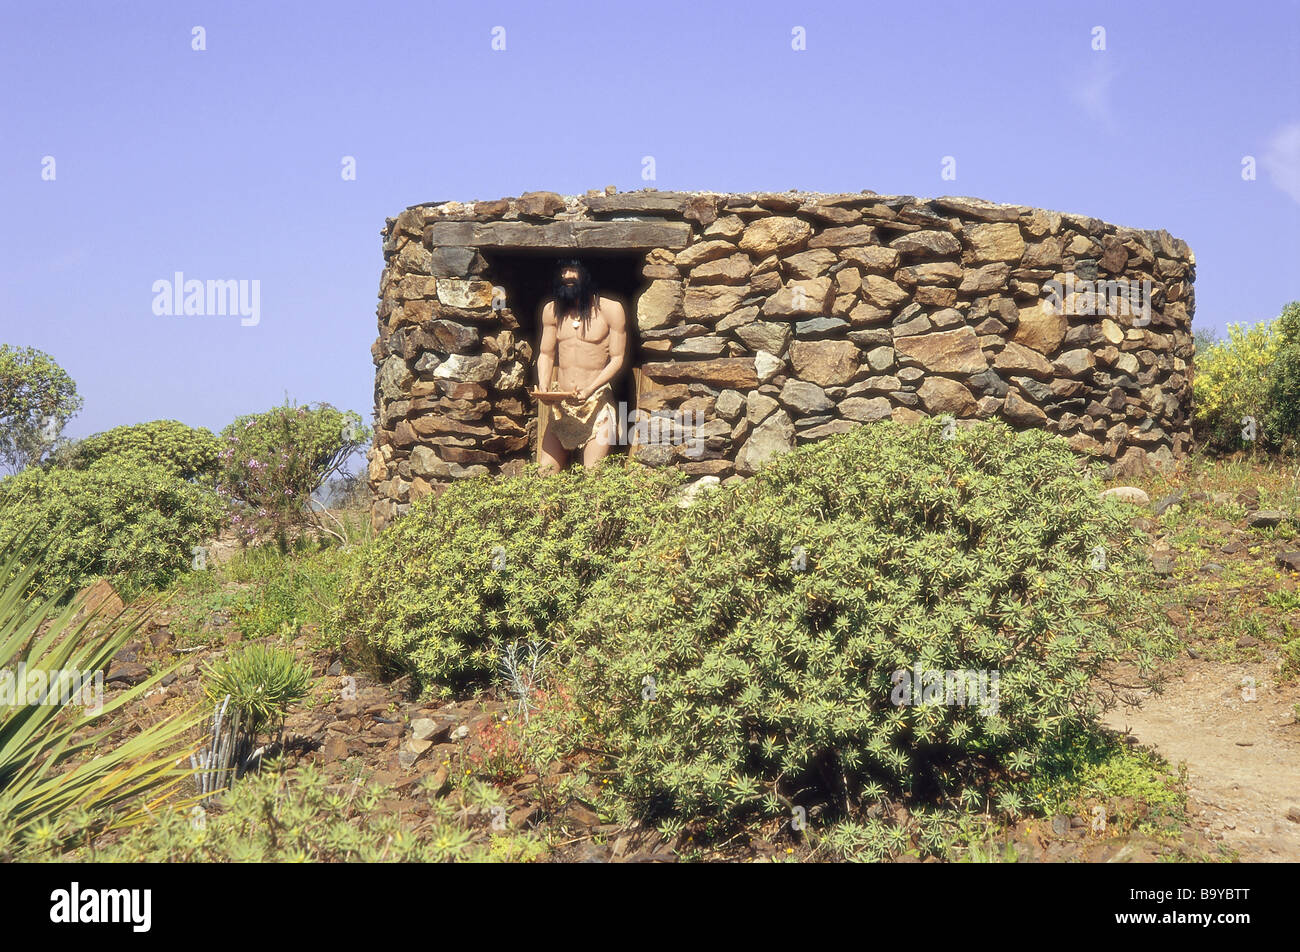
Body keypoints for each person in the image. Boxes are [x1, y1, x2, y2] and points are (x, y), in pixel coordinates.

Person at [535, 259, 627, 472]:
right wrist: (544, 387)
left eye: (573, 270)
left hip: (596, 404)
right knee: (545, 474)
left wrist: (589, 389)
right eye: (563, 271)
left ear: (588, 274)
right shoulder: (552, 310)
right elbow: (546, 354)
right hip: (562, 406)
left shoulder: (611, 309)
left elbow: (617, 359)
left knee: (593, 475)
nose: (568, 275)